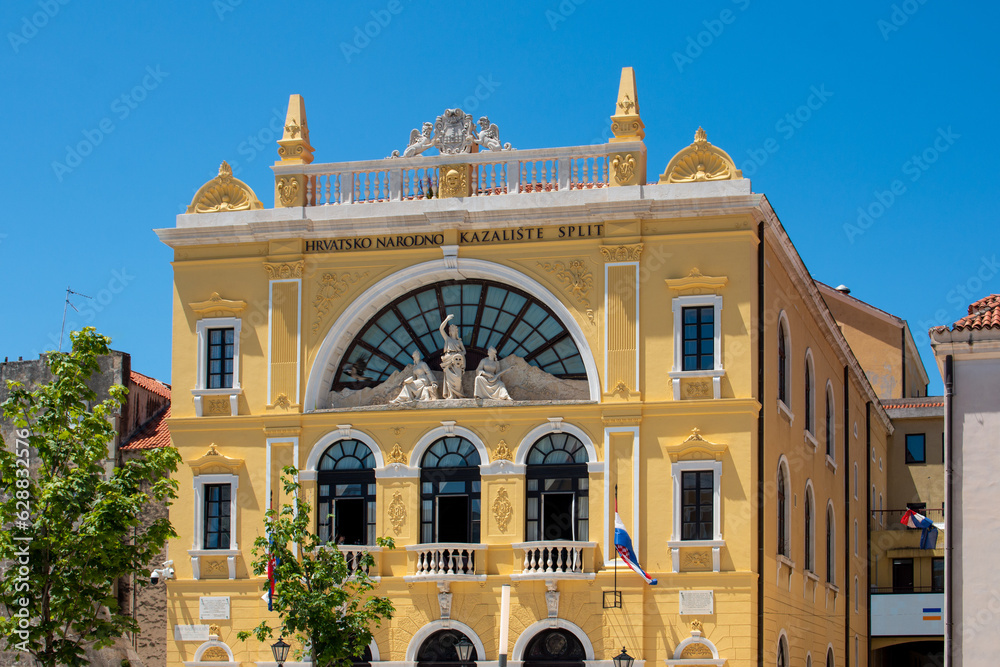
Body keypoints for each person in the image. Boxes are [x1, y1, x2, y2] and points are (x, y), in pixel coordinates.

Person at [438, 313, 466, 399]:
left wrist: (460, 354)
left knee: (458, 378)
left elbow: (464, 351)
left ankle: (459, 394)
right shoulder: (447, 339)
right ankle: (451, 395)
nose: (452, 330)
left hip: (457, 360)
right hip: (448, 359)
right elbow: (441, 329)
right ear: (449, 331)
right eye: (451, 329)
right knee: (448, 379)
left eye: (454, 329)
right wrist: (446, 319)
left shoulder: (459, 342)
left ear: (456, 331)